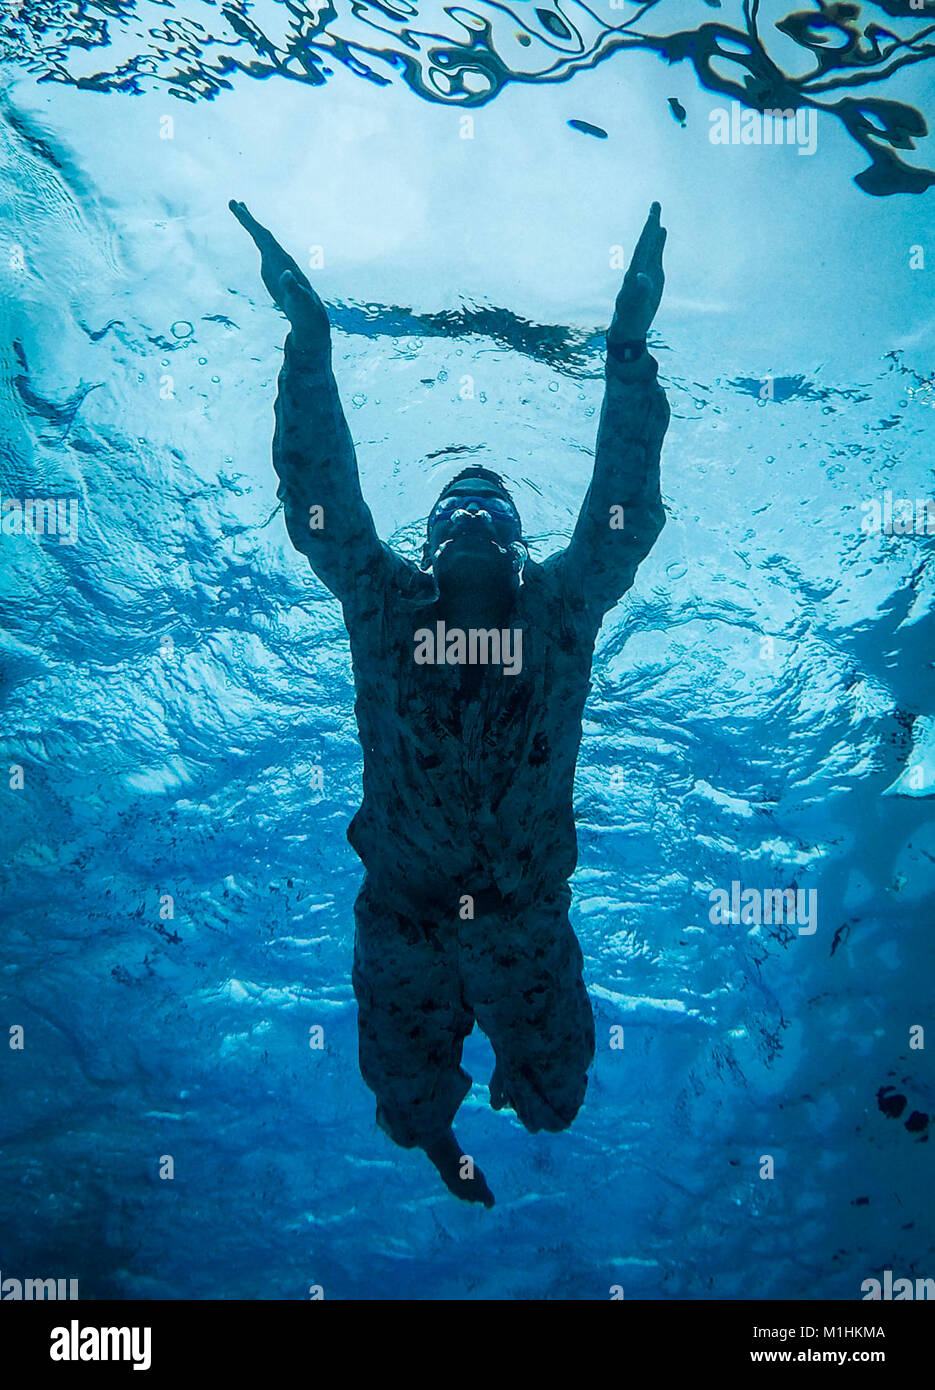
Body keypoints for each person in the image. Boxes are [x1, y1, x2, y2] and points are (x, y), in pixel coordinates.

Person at [231, 197, 669, 1207]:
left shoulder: (558, 610)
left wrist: (628, 350)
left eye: (493, 509)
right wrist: (309, 340)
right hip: (407, 917)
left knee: (558, 1097)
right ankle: (442, 1146)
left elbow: (622, 511)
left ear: (516, 544)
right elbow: (321, 503)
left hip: (519, 917)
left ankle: (498, 1112)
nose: (473, 517)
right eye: (455, 509)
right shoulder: (384, 606)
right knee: (406, 1105)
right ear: (432, 547)